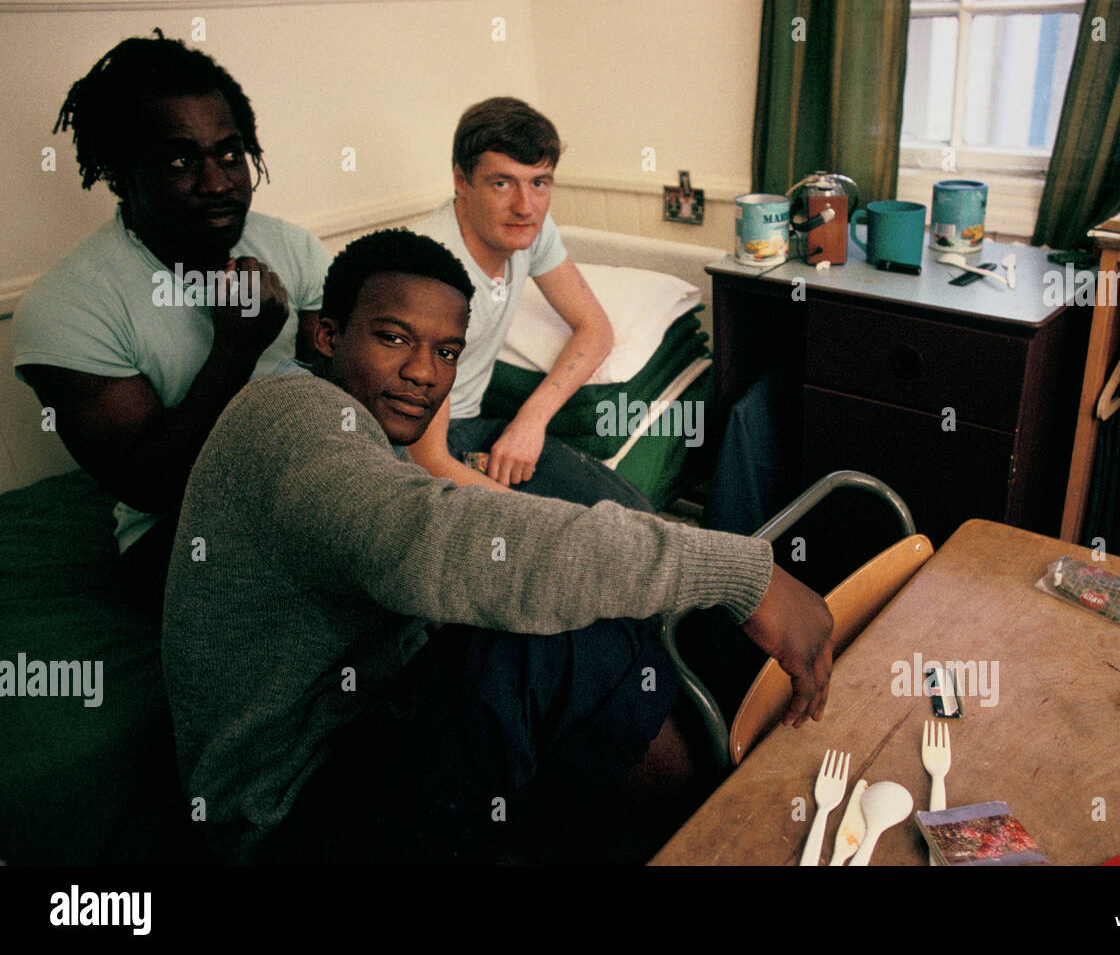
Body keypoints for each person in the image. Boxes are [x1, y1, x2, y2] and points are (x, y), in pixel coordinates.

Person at [161, 228, 833, 864]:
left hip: (360, 736)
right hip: (288, 818)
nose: (424, 372)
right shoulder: (291, 417)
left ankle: (679, 814)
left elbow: (449, 534)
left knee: (572, 604)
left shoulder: (355, 428)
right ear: (328, 336)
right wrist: (741, 573)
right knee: (569, 642)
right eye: (394, 338)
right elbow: (429, 541)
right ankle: (715, 832)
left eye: (447, 351)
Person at [11, 31, 329, 613]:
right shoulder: (68, 307)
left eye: (230, 154)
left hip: (320, 486)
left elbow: (350, 400)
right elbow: (148, 484)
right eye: (180, 160)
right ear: (120, 172)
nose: (217, 184)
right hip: (179, 532)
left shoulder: (293, 248)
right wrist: (234, 349)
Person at [408, 97, 648, 509]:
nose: (525, 206)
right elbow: (428, 460)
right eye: (502, 183)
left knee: (633, 515)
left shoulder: (532, 230)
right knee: (575, 538)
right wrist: (541, 520)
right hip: (410, 447)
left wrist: (531, 421)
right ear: (461, 182)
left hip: (467, 426)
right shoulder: (429, 269)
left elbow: (595, 327)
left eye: (539, 182)